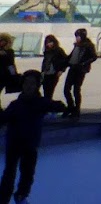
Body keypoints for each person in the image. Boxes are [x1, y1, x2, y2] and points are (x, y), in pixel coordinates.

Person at [1, 71, 67, 204]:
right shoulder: (15, 105)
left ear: (37, 85)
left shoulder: (40, 103)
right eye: (26, 83)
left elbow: (59, 106)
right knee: (9, 172)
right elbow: (3, 118)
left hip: (30, 144)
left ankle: (21, 195)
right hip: (14, 143)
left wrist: (58, 106)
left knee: (27, 172)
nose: (28, 86)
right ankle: (3, 198)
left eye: (32, 83)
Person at [62, 29, 95, 118]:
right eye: (76, 36)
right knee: (66, 89)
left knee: (76, 90)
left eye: (78, 36)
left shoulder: (88, 45)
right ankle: (71, 106)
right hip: (73, 68)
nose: (77, 38)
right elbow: (71, 56)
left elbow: (94, 57)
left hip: (80, 70)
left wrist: (83, 63)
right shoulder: (77, 45)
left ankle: (76, 109)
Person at [37, 37, 67, 104]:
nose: (49, 44)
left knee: (50, 91)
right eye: (47, 43)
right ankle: (46, 105)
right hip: (45, 73)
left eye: (50, 42)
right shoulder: (47, 51)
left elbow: (66, 61)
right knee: (45, 90)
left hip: (53, 73)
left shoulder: (59, 50)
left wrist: (61, 70)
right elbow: (45, 62)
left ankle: (48, 105)